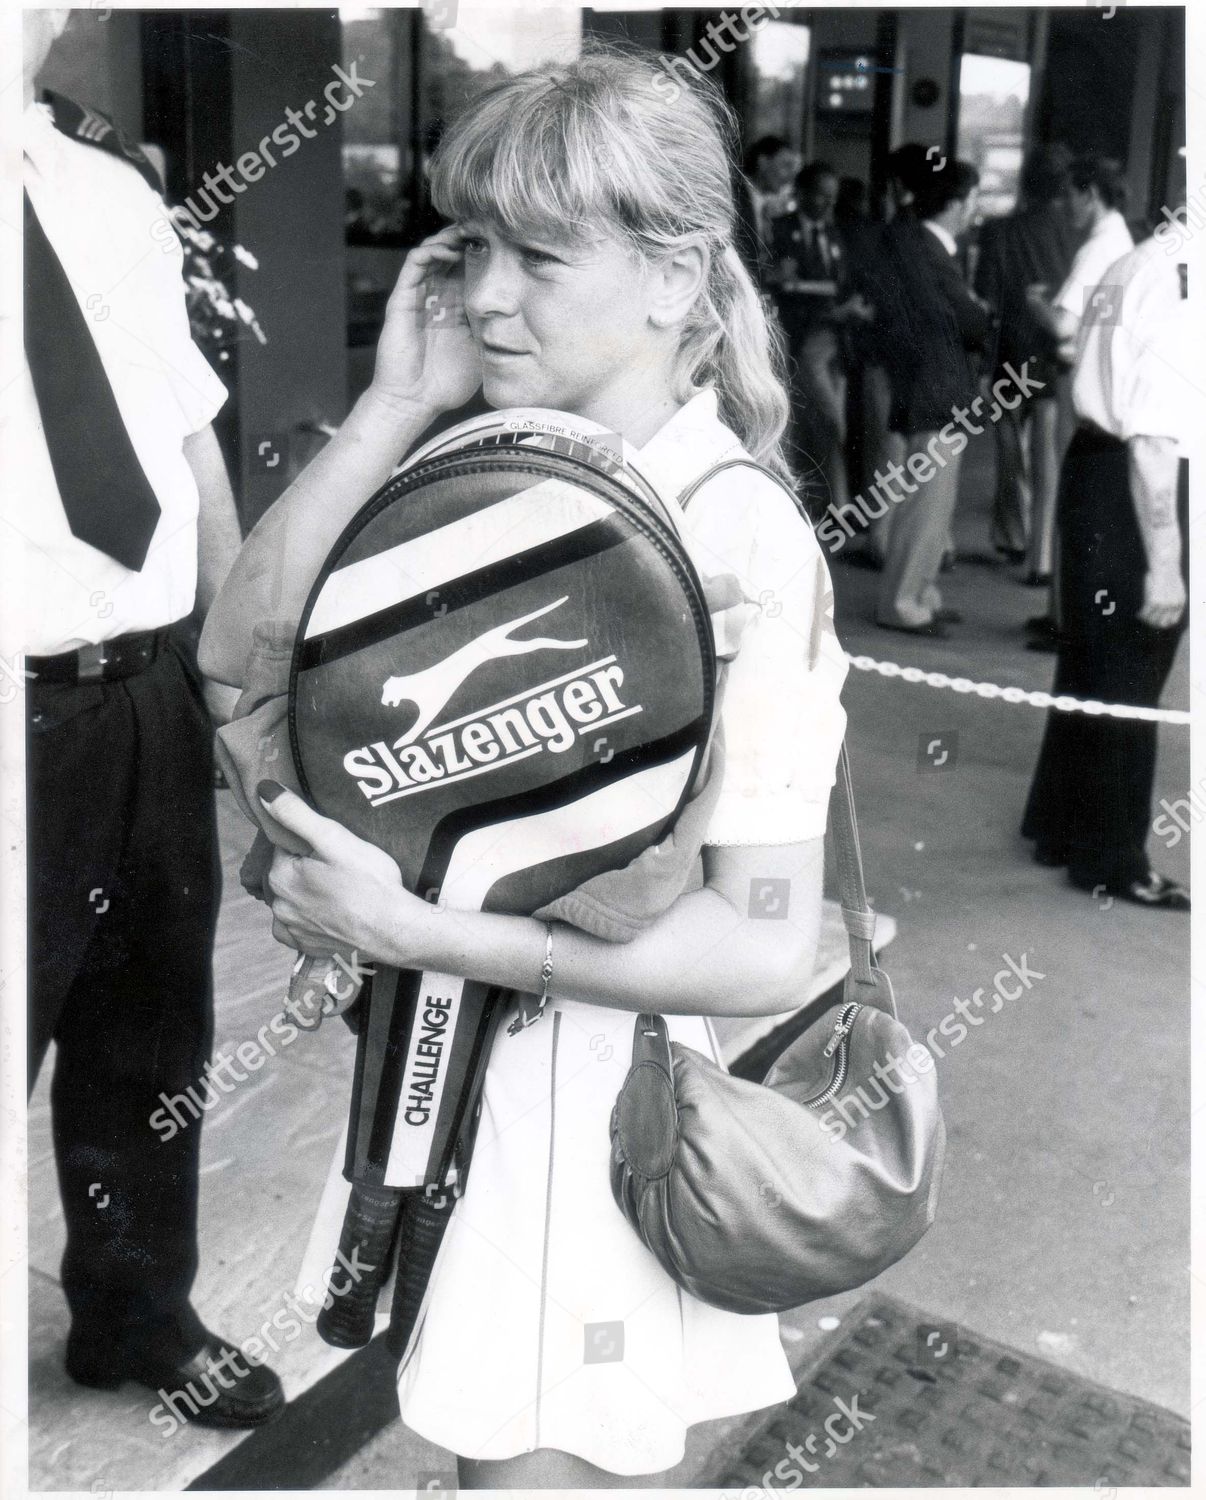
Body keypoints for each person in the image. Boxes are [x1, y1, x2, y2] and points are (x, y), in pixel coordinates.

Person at [201, 47, 848, 1488]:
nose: (487, 292)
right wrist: (392, 409)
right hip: (442, 1078)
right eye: (477, 245)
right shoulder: (487, 460)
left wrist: (420, 931)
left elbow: (760, 948)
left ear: (674, 279)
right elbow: (238, 660)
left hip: (590, 1121)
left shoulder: (734, 536)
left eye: (540, 257)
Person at [16, 10, 284, 1423]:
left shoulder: (109, 193)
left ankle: (133, 1313)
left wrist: (228, 668)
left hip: (144, 687)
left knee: (151, 1028)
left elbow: (185, 436)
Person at [1020, 230, 1191, 909]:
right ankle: (1113, 859)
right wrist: (1168, 563)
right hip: (1140, 484)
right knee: (1133, 671)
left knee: (1091, 661)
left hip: (1094, 467)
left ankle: (1060, 828)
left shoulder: (1136, 259)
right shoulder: (1186, 285)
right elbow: (1153, 436)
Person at [872, 160, 992, 635]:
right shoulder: (928, 250)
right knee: (926, 504)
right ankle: (904, 604)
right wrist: (979, 313)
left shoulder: (924, 247)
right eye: (973, 200)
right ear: (957, 202)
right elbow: (957, 319)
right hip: (936, 387)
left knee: (934, 505)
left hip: (933, 387)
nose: (974, 210)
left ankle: (922, 593)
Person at [975, 144, 1081, 579]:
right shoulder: (1079, 234)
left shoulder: (1001, 231)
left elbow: (988, 300)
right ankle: (1042, 557)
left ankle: (1011, 536)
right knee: (1049, 459)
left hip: (1011, 354)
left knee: (1008, 451)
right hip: (1056, 356)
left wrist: (983, 364)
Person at [770, 161, 873, 517]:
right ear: (800, 194)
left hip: (835, 340)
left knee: (826, 424)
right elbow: (778, 283)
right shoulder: (779, 229)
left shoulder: (835, 235)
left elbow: (842, 282)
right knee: (829, 421)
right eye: (819, 196)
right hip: (800, 338)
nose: (826, 205)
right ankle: (825, 502)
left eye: (832, 199)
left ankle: (839, 503)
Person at [1025, 154, 1133, 366]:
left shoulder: (1098, 249)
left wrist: (1034, 301)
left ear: (1090, 195)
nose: (1063, 204)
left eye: (1069, 195)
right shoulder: (1119, 238)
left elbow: (1063, 327)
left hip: (1081, 372)